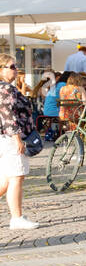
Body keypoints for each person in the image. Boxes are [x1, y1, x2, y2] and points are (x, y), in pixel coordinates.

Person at [0, 54, 39, 229]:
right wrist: (17, 139)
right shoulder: (5, 89)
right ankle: (17, 218)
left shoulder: (7, 87)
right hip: (11, 138)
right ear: (1, 69)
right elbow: (8, 116)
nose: (16, 69)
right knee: (17, 176)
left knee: (7, 179)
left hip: (6, 137)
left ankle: (17, 216)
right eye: (12, 66)